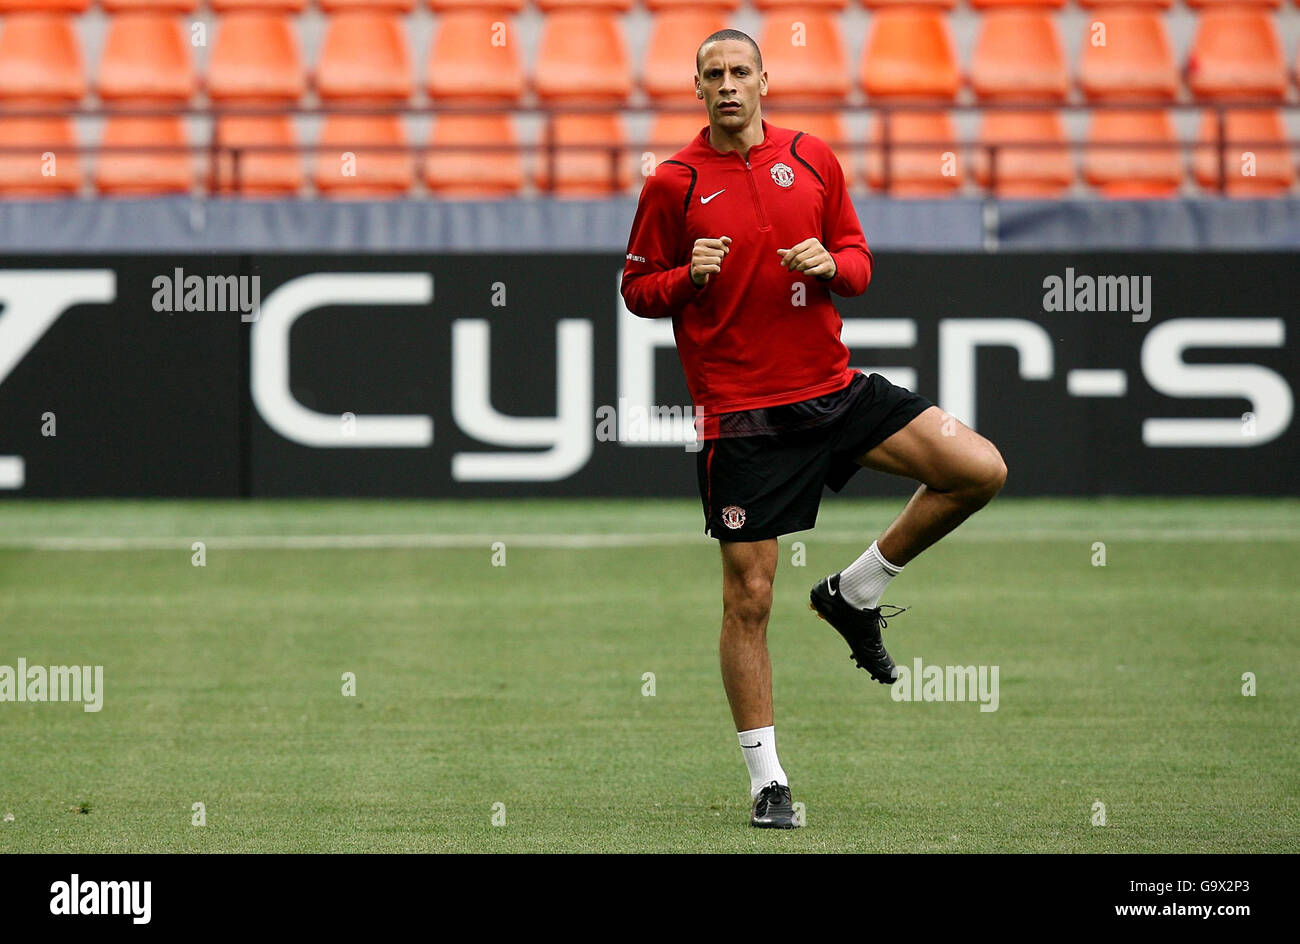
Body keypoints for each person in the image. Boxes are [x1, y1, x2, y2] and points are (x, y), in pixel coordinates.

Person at [620, 29, 1007, 829]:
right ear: (696, 89)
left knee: (979, 469)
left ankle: (856, 591)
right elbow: (634, 289)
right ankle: (768, 782)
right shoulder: (673, 181)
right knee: (748, 600)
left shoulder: (814, 157)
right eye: (713, 74)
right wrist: (683, 280)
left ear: (766, 78)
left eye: (740, 72)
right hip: (742, 415)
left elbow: (860, 259)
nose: (728, 85)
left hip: (832, 391)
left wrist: (833, 267)